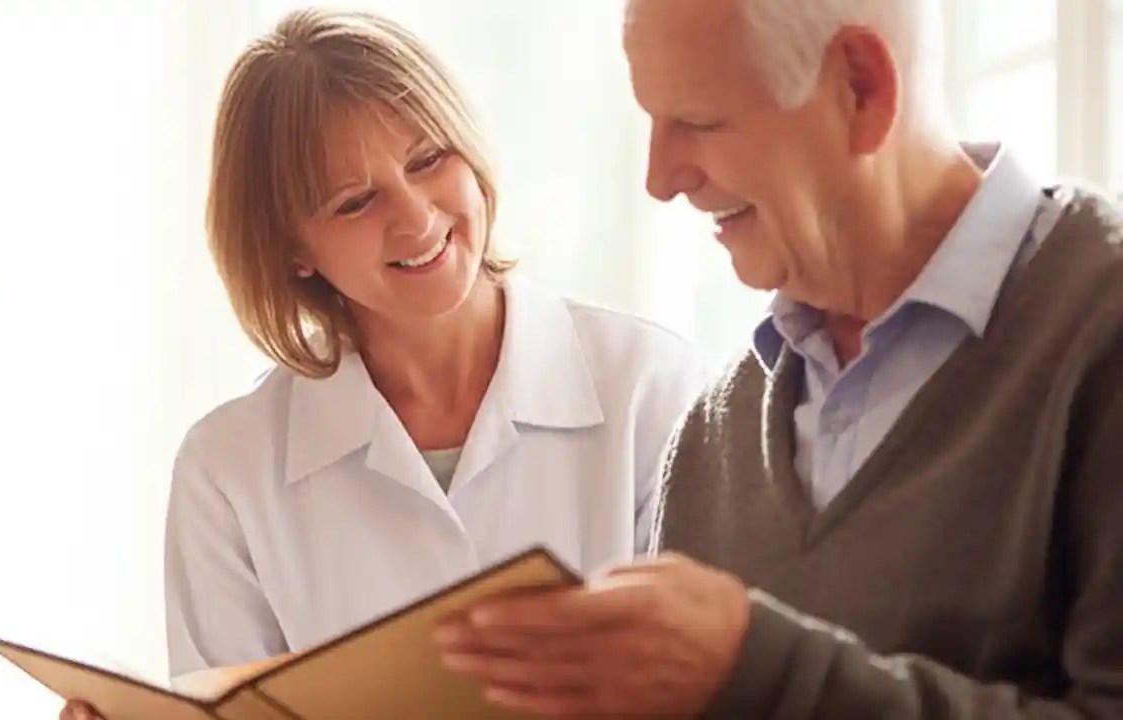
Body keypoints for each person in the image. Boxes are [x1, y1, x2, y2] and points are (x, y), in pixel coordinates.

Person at [436, 0, 1123, 717]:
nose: (661, 179)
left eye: (697, 123)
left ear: (861, 88)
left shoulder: (1098, 331)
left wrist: (756, 670)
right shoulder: (712, 436)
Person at [60, 7, 702, 720]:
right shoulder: (228, 469)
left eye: (428, 160)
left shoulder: (648, 386)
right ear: (291, 250)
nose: (417, 219)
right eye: (356, 202)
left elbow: (706, 689)